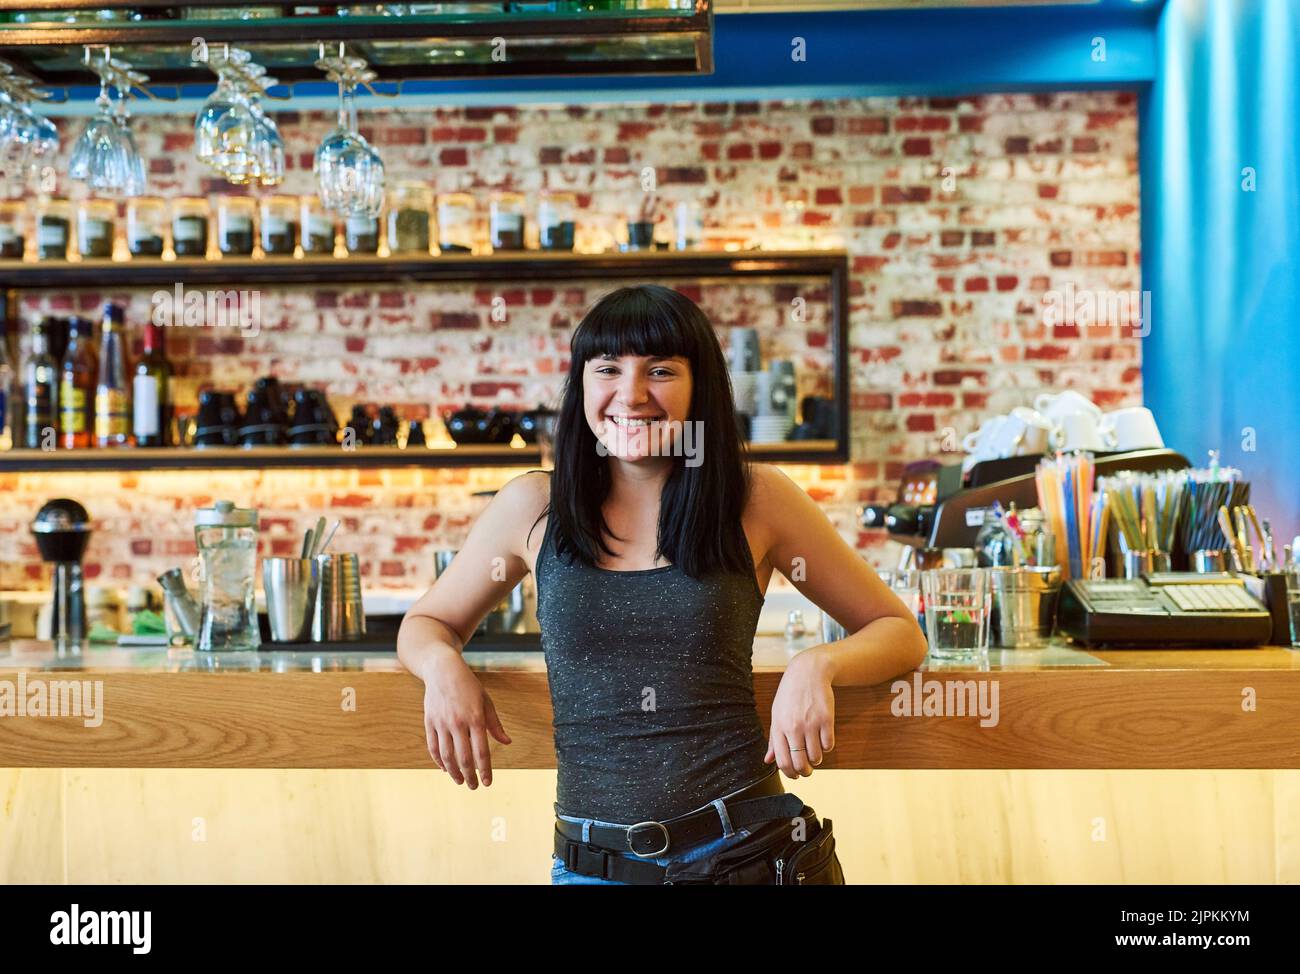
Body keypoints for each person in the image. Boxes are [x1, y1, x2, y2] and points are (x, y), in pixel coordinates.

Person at [397, 284, 928, 885]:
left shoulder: (757, 498)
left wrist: (818, 665)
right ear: (582, 388)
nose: (632, 394)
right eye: (608, 369)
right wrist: (443, 670)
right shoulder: (532, 506)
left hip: (745, 853)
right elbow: (425, 624)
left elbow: (899, 632)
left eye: (660, 370)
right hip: (590, 866)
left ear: (699, 386)